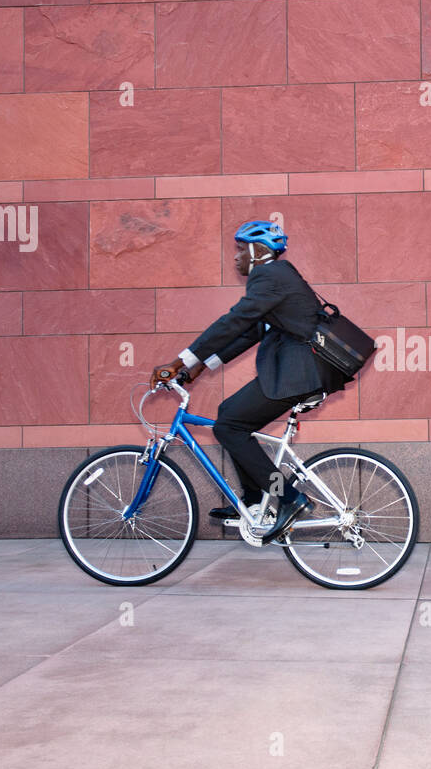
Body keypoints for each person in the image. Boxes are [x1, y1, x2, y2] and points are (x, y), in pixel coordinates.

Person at [149, 220, 349, 543]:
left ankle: (285, 498)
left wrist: (181, 361)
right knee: (229, 415)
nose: (236, 257)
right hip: (301, 371)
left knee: (229, 426)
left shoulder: (268, 276)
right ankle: (256, 501)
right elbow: (253, 330)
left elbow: (234, 321)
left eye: (241, 249)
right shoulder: (277, 278)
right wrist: (203, 365)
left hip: (297, 373)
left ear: (258, 252)